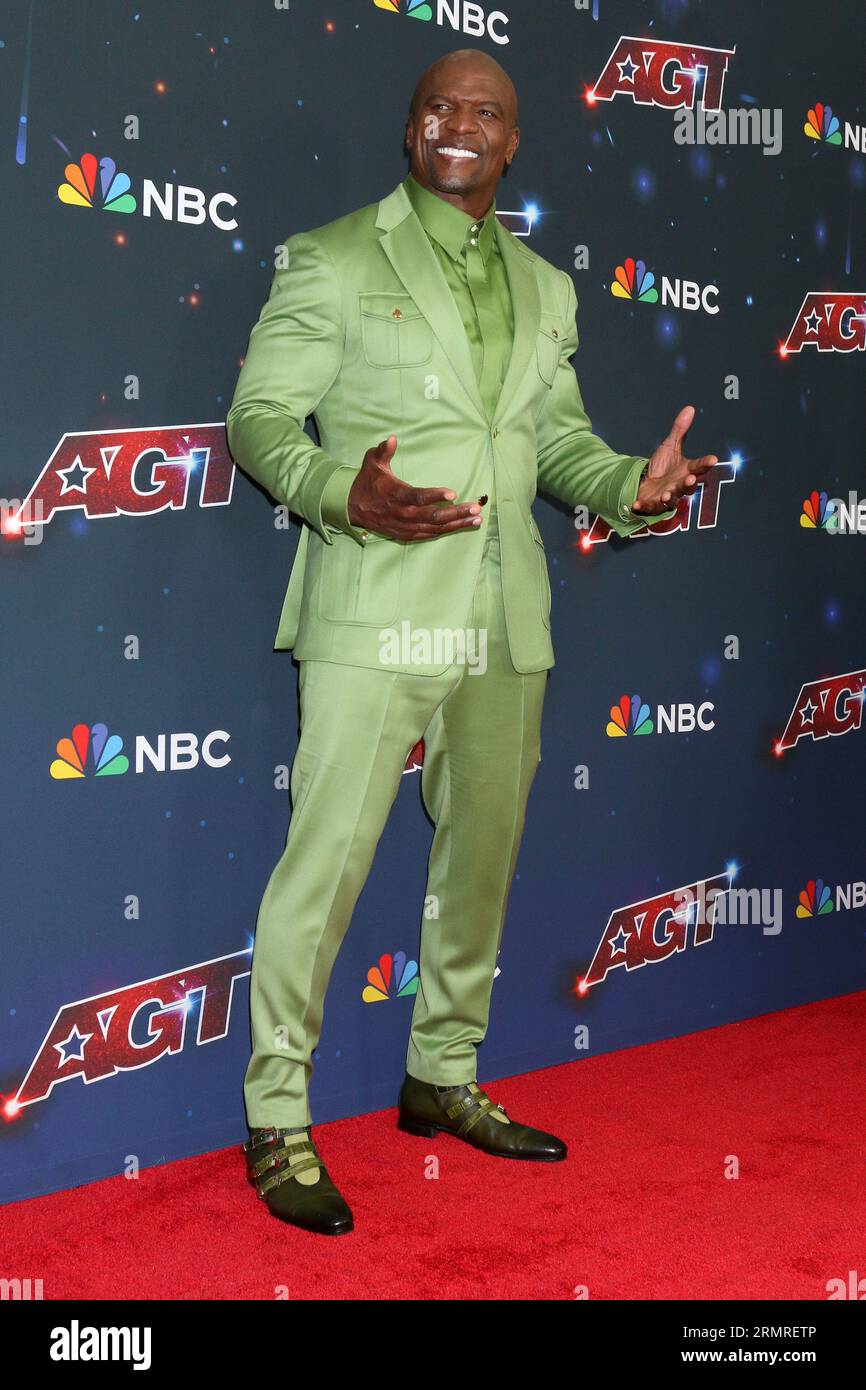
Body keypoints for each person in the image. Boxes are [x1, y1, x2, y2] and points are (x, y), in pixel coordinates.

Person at [226, 48, 717, 1236]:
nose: (460, 124)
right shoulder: (332, 257)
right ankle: (276, 1115)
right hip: (371, 602)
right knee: (325, 866)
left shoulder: (549, 288)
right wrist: (345, 492)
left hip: (504, 618)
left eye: (484, 112)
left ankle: (442, 1075)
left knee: (477, 867)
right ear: (409, 133)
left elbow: (557, 448)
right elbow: (254, 419)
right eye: (439, 107)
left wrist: (630, 494)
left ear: (510, 144)